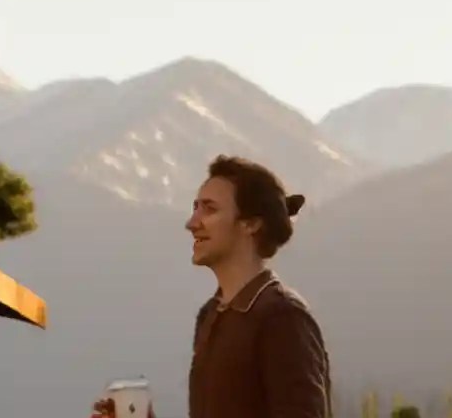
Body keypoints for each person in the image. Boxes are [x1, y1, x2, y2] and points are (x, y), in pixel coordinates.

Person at [91, 155, 332, 418]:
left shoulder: (283, 318)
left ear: (250, 223)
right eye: (195, 208)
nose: (192, 223)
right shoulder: (212, 315)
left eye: (209, 209)